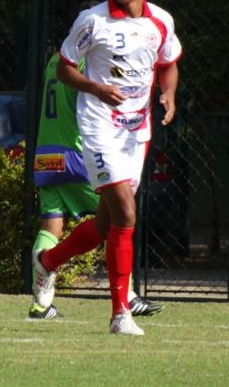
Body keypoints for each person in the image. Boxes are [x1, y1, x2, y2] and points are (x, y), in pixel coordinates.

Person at [32, 0, 181, 336]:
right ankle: (120, 314)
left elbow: (168, 63)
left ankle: (48, 261)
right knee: (126, 215)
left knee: (103, 225)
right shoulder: (92, 21)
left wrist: (169, 95)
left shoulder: (160, 21)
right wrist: (96, 87)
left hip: (137, 131)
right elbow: (66, 67)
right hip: (99, 128)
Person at [28, 52, 164, 319]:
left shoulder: (54, 59)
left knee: (52, 225)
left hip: (47, 154)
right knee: (120, 216)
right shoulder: (90, 62)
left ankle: (40, 304)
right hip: (81, 153)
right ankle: (127, 295)